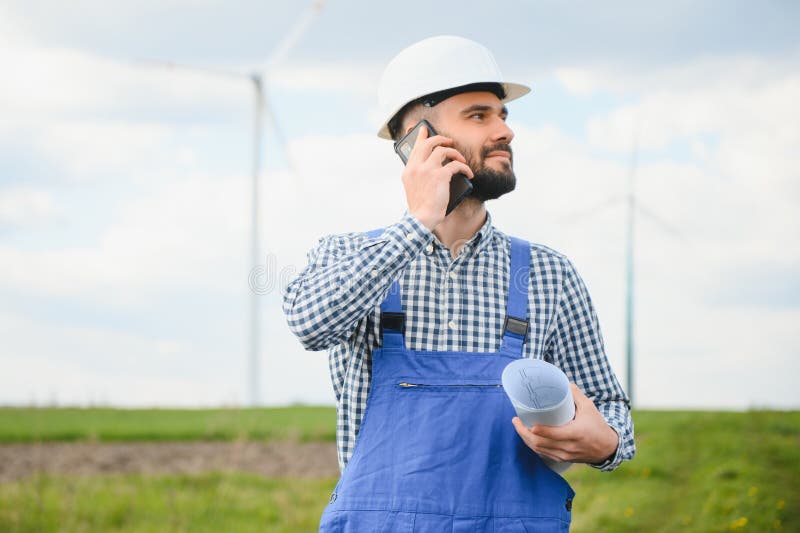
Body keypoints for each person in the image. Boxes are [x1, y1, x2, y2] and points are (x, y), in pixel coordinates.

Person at [283, 35, 635, 532]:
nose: (504, 131)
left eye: (503, 116)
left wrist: (608, 444)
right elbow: (309, 324)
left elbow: (613, 412)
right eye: (479, 116)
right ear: (419, 138)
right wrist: (420, 219)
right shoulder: (346, 256)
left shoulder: (550, 274)